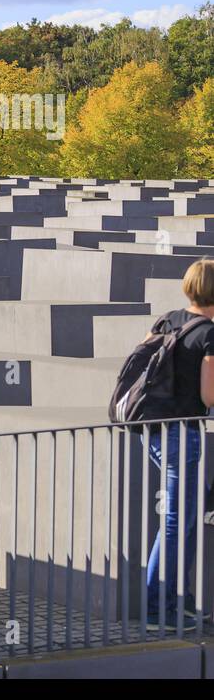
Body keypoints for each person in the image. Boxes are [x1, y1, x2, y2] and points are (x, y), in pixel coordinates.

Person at [138, 258, 214, 628]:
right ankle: (155, 609)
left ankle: (173, 602)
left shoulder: (167, 319)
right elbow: (208, 394)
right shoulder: (209, 333)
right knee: (174, 524)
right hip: (183, 434)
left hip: (154, 431)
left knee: (184, 518)